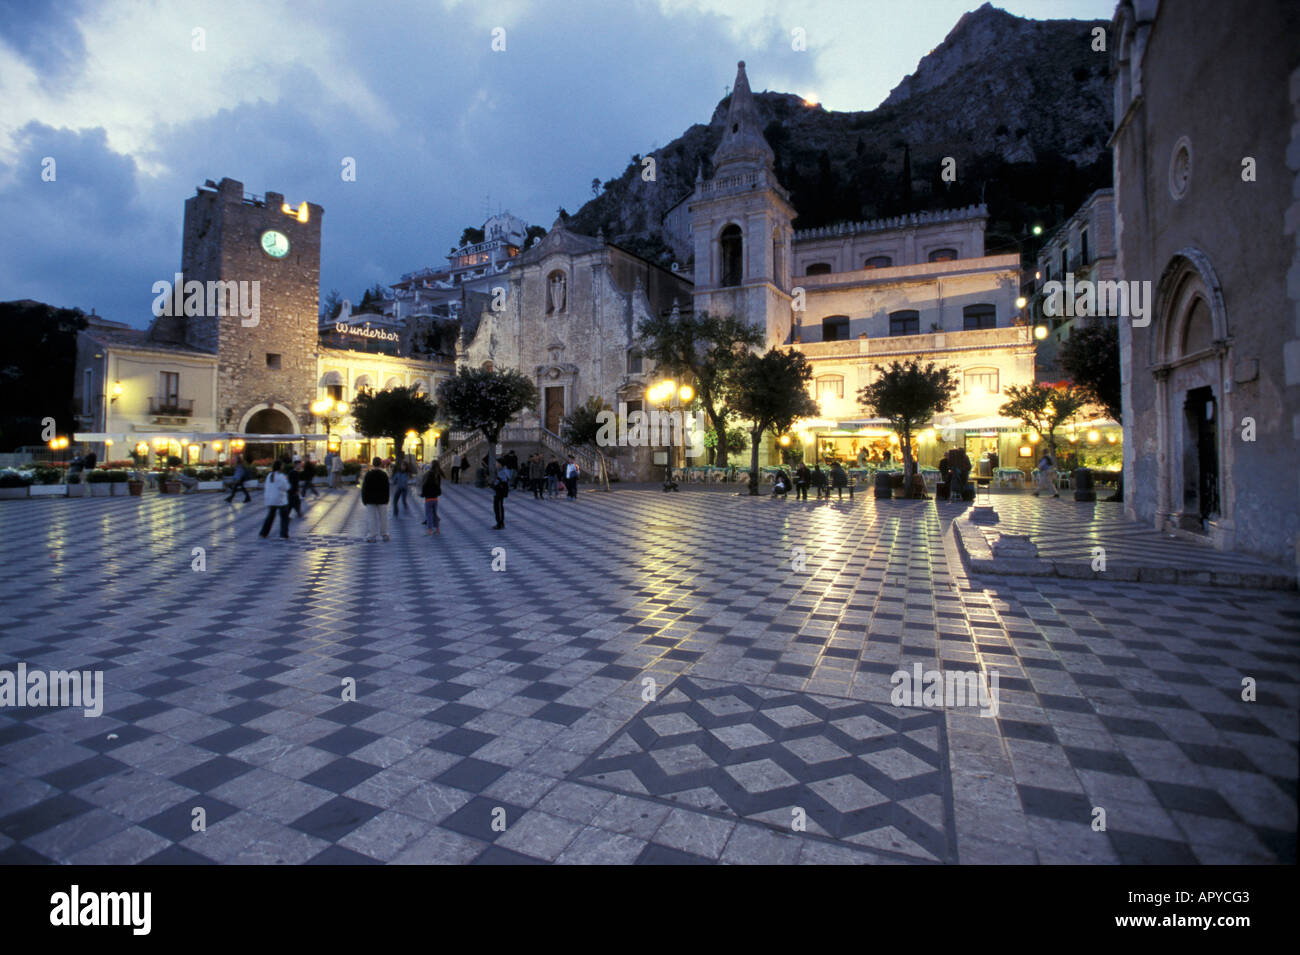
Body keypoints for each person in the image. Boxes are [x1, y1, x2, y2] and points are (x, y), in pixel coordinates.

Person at [259, 460, 291, 540]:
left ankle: (263, 533)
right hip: (280, 500)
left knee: (270, 516)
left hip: (270, 499)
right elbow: (286, 487)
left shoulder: (270, 475)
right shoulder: (281, 476)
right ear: (280, 467)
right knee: (284, 517)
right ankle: (283, 534)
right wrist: (287, 480)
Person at [361, 457, 391, 541]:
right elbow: (387, 488)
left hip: (370, 499)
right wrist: (387, 499)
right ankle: (384, 534)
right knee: (383, 517)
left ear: (373, 464)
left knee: (371, 517)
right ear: (380, 463)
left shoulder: (368, 474)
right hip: (382, 499)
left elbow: (364, 488)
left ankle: (372, 535)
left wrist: (364, 499)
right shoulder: (384, 474)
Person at [422, 461, 443, 535]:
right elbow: (438, 486)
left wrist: (423, 494)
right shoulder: (437, 475)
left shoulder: (428, 474)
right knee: (434, 514)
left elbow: (425, 485)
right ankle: (437, 529)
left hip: (428, 498)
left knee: (429, 514)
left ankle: (429, 530)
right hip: (435, 498)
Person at [492, 460, 510, 529]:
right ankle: (499, 522)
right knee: (497, 507)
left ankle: (500, 523)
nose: (495, 464)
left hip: (499, 492)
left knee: (498, 507)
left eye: (497, 463)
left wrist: (494, 485)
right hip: (498, 492)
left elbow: (503, 481)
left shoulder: (503, 471)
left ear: (500, 464)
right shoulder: (502, 471)